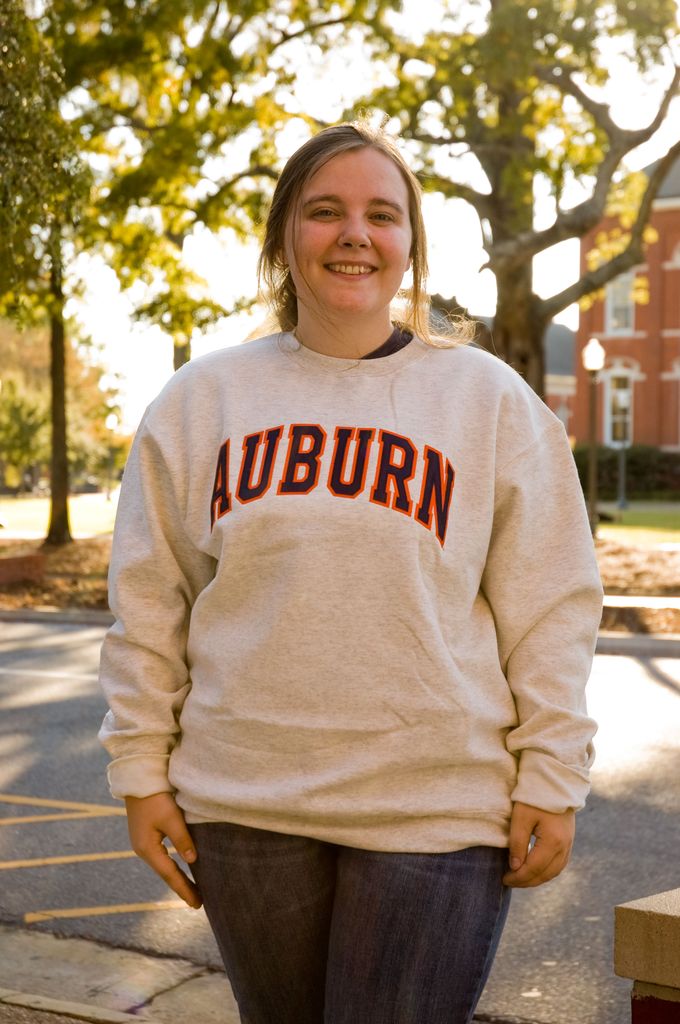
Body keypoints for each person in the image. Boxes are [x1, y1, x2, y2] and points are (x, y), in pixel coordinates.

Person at [98, 120, 603, 1024]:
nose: (355, 235)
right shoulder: (201, 400)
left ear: (411, 244)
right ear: (284, 237)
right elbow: (149, 602)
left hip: (437, 812)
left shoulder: (486, 400)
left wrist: (552, 778)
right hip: (246, 805)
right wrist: (141, 775)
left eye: (383, 214)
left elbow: (552, 606)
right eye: (324, 211)